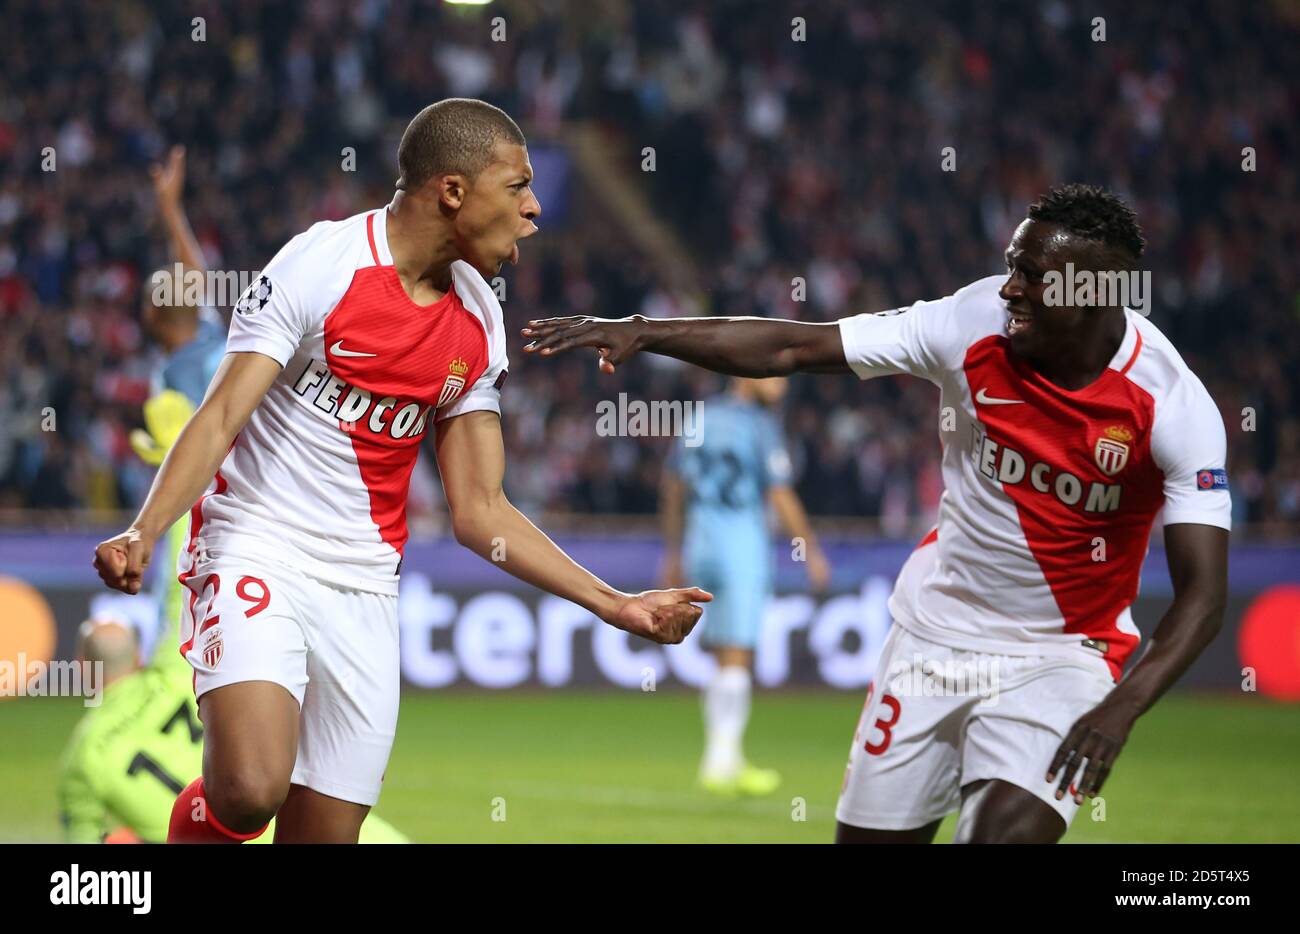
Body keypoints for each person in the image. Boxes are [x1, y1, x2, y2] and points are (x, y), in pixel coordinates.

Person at [521, 184, 1231, 843]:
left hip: (1062, 659)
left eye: (1034, 276)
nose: (1010, 287)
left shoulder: (1171, 405)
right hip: (932, 639)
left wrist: (1120, 708)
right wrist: (646, 332)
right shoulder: (969, 321)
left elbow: (1203, 596)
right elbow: (798, 345)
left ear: (1096, 291)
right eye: (1012, 265)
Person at [93, 98, 711, 844]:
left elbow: (481, 509)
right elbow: (220, 416)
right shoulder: (320, 265)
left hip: (365, 587)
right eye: (516, 186)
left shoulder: (480, 321)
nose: (535, 207)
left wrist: (614, 603)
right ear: (452, 191)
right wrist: (143, 531)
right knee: (251, 789)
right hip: (257, 546)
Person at [58, 616, 408, 843]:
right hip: (345, 829)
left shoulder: (83, 757)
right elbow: (178, 586)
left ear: (81, 666)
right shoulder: (178, 670)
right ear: (138, 657)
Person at [661, 376, 828, 795]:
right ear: (742, 374)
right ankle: (721, 762)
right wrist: (809, 549)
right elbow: (780, 494)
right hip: (741, 547)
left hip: (700, 541)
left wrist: (673, 551)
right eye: (770, 372)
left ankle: (725, 757)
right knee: (737, 655)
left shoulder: (699, 417)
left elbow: (674, 485)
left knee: (722, 657)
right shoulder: (760, 424)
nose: (781, 380)